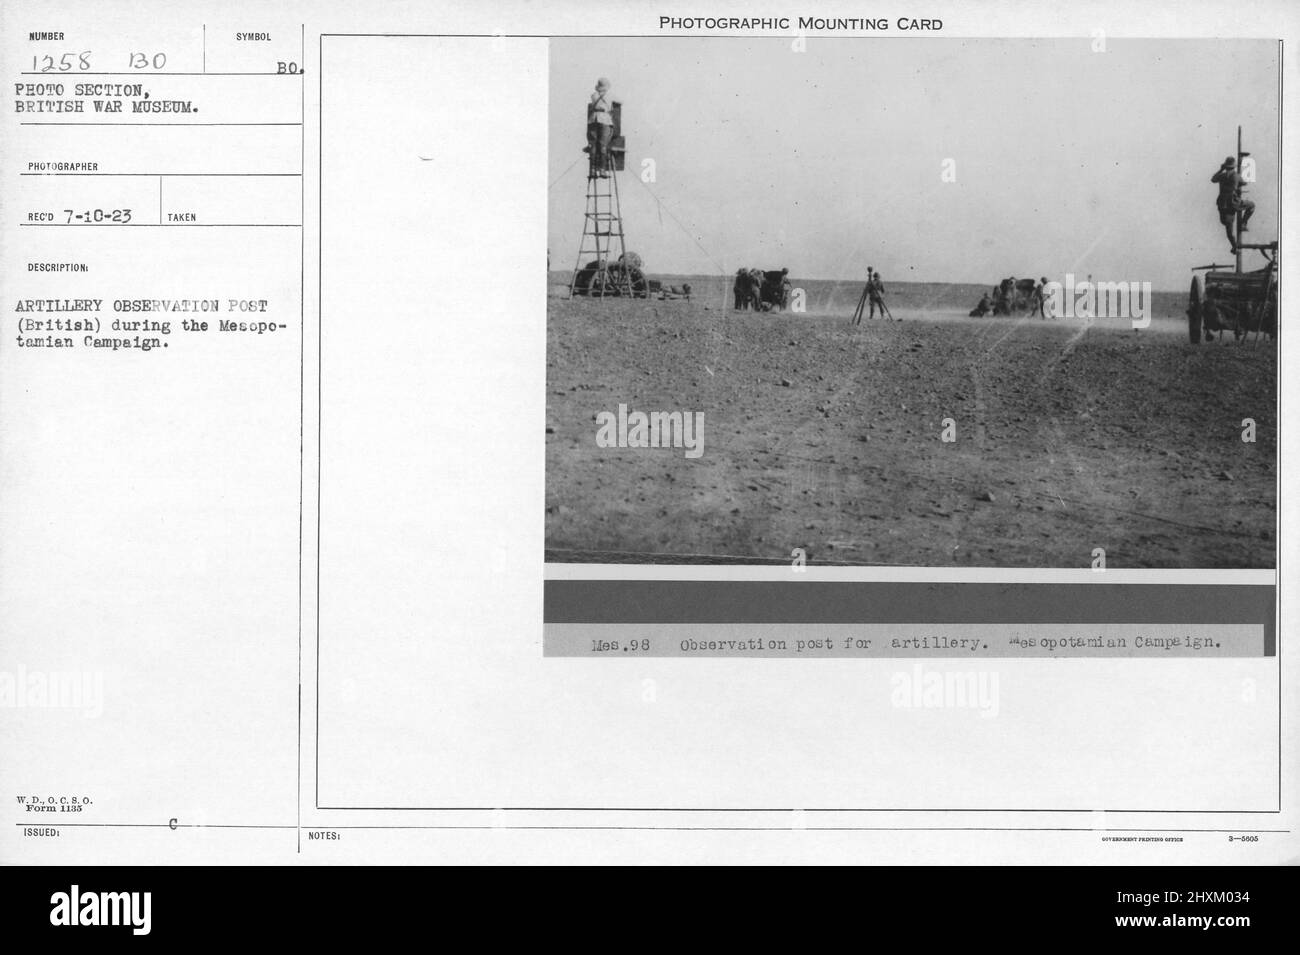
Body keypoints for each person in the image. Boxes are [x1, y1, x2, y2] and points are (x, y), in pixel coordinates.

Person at [1212, 156, 1255, 249]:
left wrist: (1221, 169)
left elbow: (1213, 179)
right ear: (1234, 166)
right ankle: (1243, 223)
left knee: (1228, 229)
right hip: (1234, 202)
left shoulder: (1222, 175)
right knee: (1252, 205)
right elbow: (1244, 183)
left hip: (1223, 204)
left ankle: (1234, 245)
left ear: (1226, 166)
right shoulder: (1236, 175)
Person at [586, 77, 614, 176]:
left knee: (593, 145)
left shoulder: (593, 95)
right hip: (605, 120)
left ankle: (592, 170)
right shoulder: (610, 96)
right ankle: (602, 170)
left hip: (593, 120)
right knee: (603, 145)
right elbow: (615, 105)